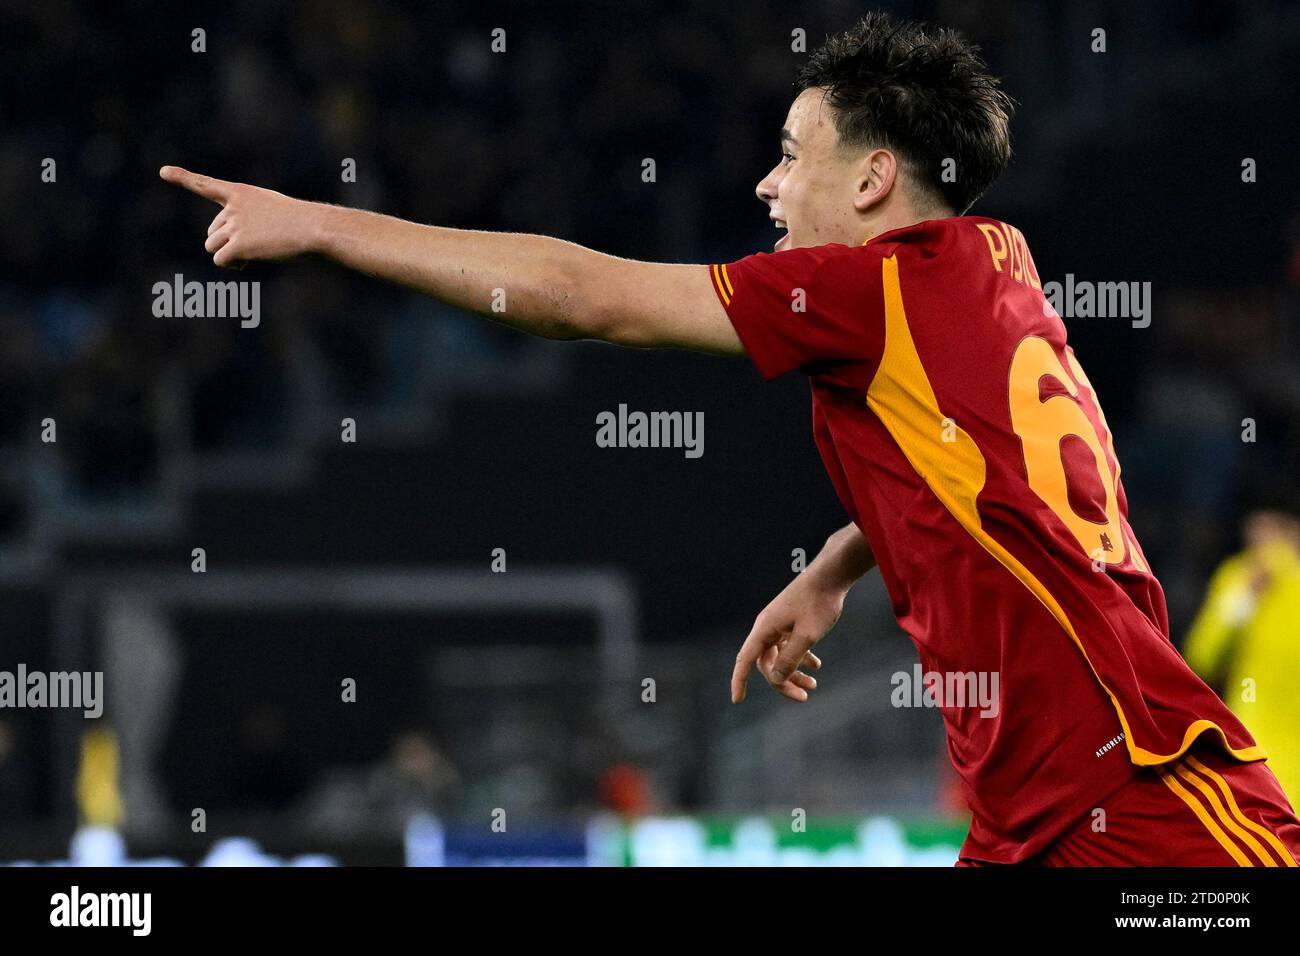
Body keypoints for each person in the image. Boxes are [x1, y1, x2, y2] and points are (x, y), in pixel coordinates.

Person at [160, 13, 1299, 865]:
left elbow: (581, 294)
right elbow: (989, 472)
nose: (765, 181)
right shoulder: (992, 265)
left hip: (1149, 799)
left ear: (872, 177)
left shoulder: (867, 292)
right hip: (1031, 814)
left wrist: (322, 222)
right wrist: (832, 566)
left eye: (792, 153)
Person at [1185, 507, 1300, 810]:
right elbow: (1202, 656)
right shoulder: (1238, 576)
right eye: (1257, 531)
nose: (1265, 543)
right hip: (1251, 744)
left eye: (1274, 531)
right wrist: (1245, 598)